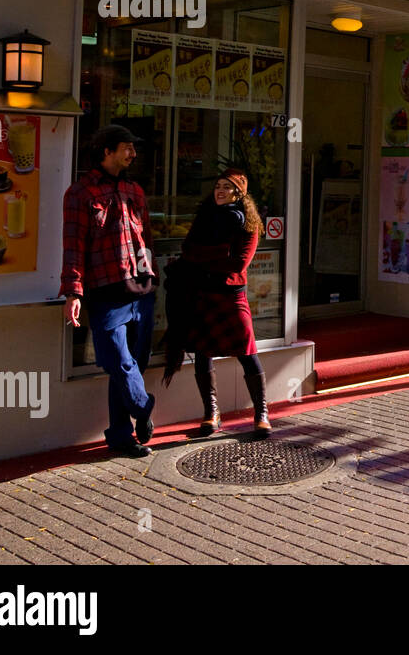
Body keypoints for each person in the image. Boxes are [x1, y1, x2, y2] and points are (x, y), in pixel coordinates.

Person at [60, 125, 158, 458]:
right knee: (117, 361)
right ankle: (143, 406)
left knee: (135, 364)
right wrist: (73, 292)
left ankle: (120, 436)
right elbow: (72, 246)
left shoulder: (135, 190)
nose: (132, 153)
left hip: (142, 290)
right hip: (105, 292)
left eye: (133, 147)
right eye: (126, 147)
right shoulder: (80, 193)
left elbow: (147, 238)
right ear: (106, 151)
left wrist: (153, 275)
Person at [163, 169, 271, 438]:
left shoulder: (248, 224)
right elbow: (188, 251)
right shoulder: (204, 218)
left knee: (247, 353)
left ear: (239, 193)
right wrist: (217, 254)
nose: (220, 191)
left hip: (232, 295)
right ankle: (211, 413)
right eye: (217, 186)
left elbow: (237, 263)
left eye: (227, 186)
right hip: (202, 292)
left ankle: (262, 414)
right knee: (202, 352)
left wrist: (203, 257)